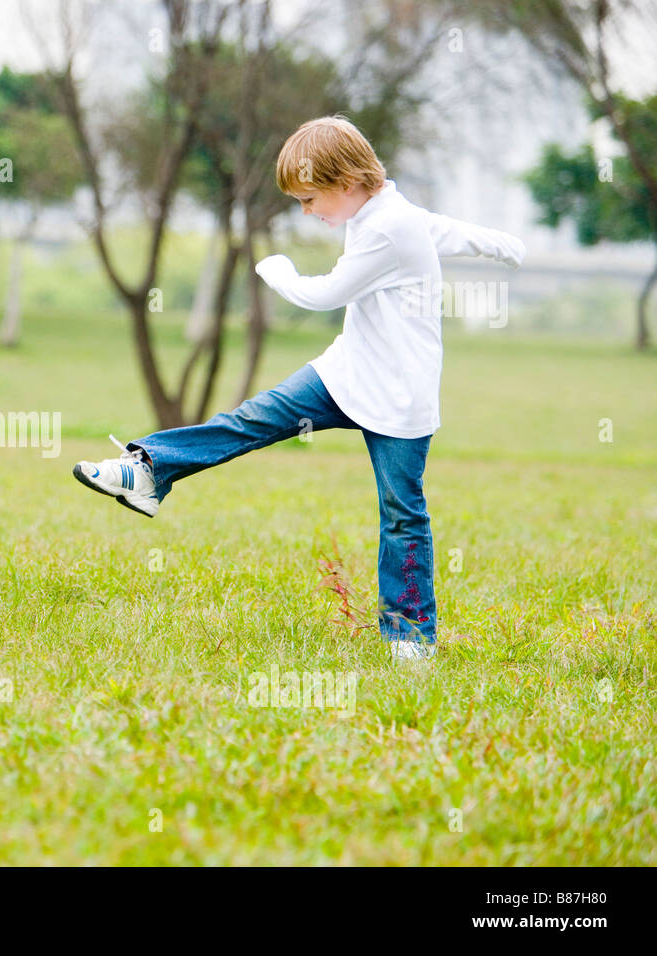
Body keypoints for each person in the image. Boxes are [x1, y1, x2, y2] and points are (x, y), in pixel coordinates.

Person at [72, 115, 526, 662]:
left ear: (346, 181)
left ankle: (411, 639)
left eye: (310, 199)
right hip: (345, 375)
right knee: (250, 419)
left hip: (399, 397)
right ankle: (146, 470)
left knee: (403, 513)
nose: (307, 212)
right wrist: (502, 245)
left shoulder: (387, 229)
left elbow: (326, 294)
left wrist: (277, 269)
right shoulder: (384, 214)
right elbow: (446, 231)